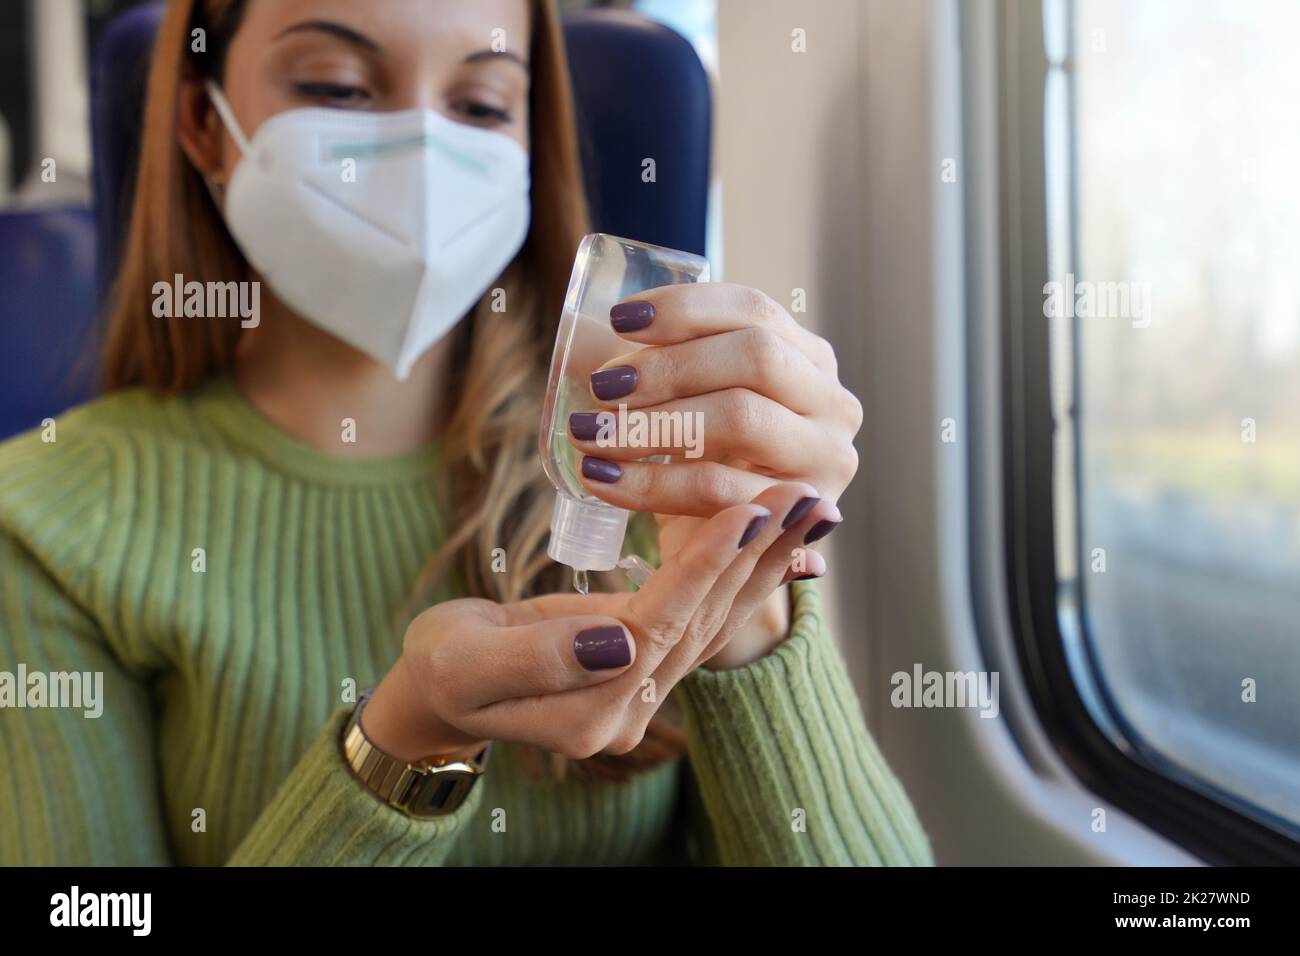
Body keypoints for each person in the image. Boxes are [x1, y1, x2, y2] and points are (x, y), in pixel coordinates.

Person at [0, 0, 932, 866]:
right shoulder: (45, 523)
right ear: (206, 126)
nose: (424, 150)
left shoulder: (643, 452)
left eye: (482, 104)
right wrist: (399, 752)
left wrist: (747, 616)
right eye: (335, 88)